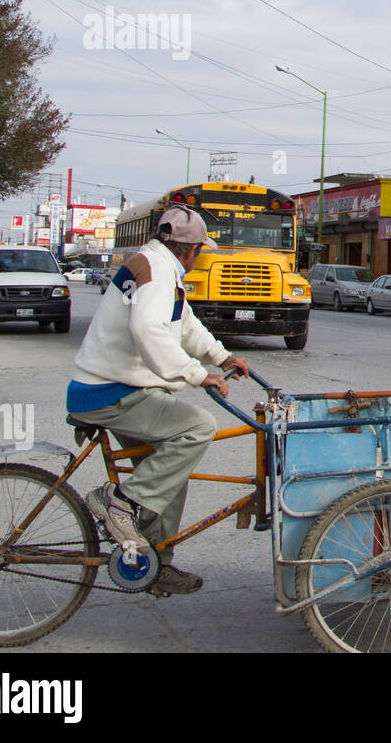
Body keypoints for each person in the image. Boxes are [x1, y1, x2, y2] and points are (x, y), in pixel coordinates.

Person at [67, 205, 249, 597]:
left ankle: (152, 561)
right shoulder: (156, 269)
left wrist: (221, 357)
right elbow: (148, 329)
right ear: (191, 250)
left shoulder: (158, 265)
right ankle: (119, 503)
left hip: (118, 386)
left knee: (169, 471)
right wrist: (198, 375)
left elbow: (183, 323)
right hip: (109, 390)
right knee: (198, 427)